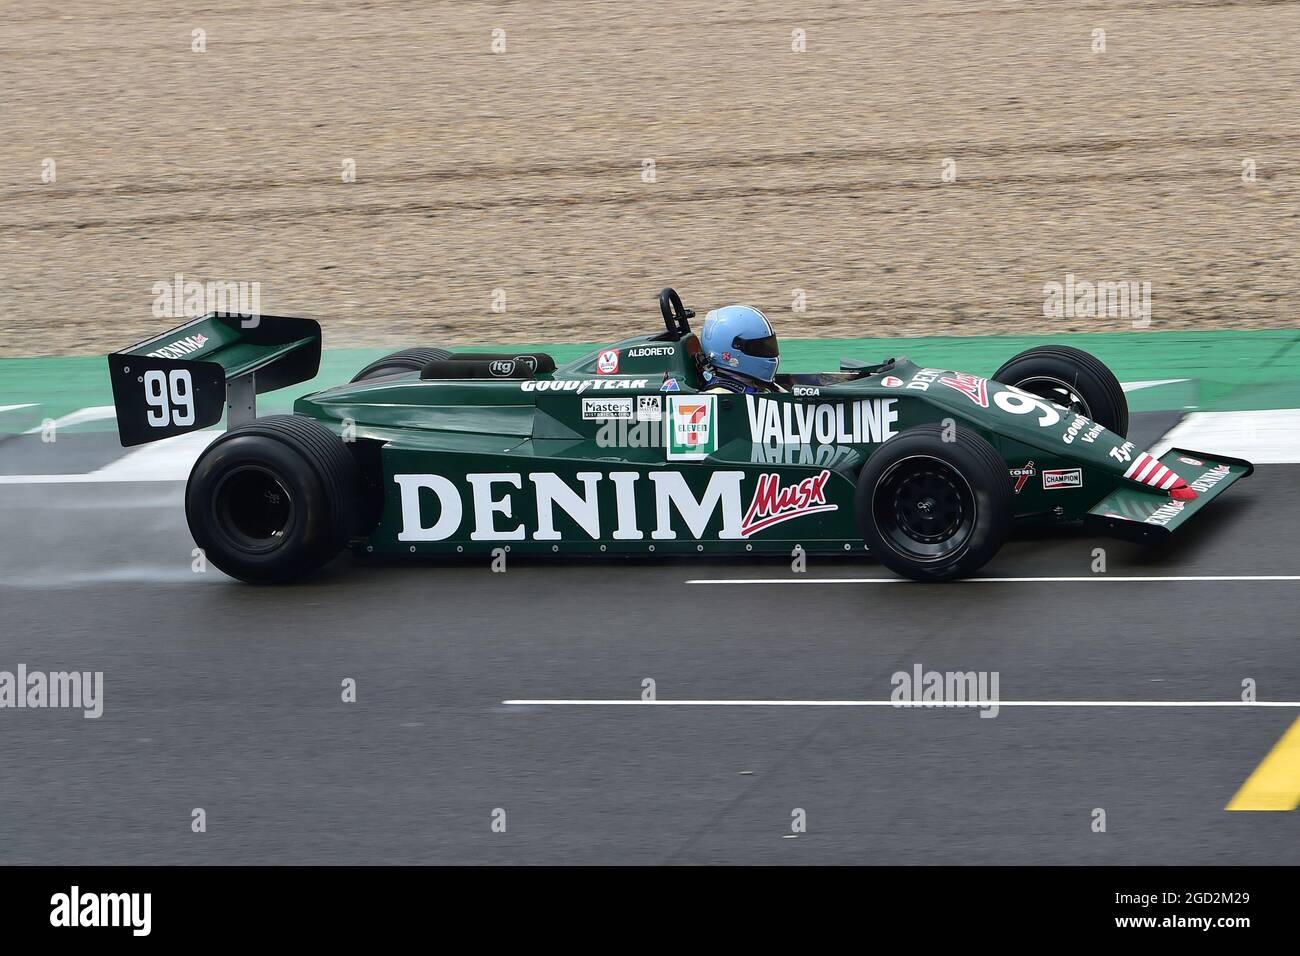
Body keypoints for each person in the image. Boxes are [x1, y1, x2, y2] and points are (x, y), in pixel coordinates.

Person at [699, 305, 784, 394]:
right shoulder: (720, 394)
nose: (768, 352)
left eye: (768, 346)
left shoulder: (755, 382)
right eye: (758, 347)